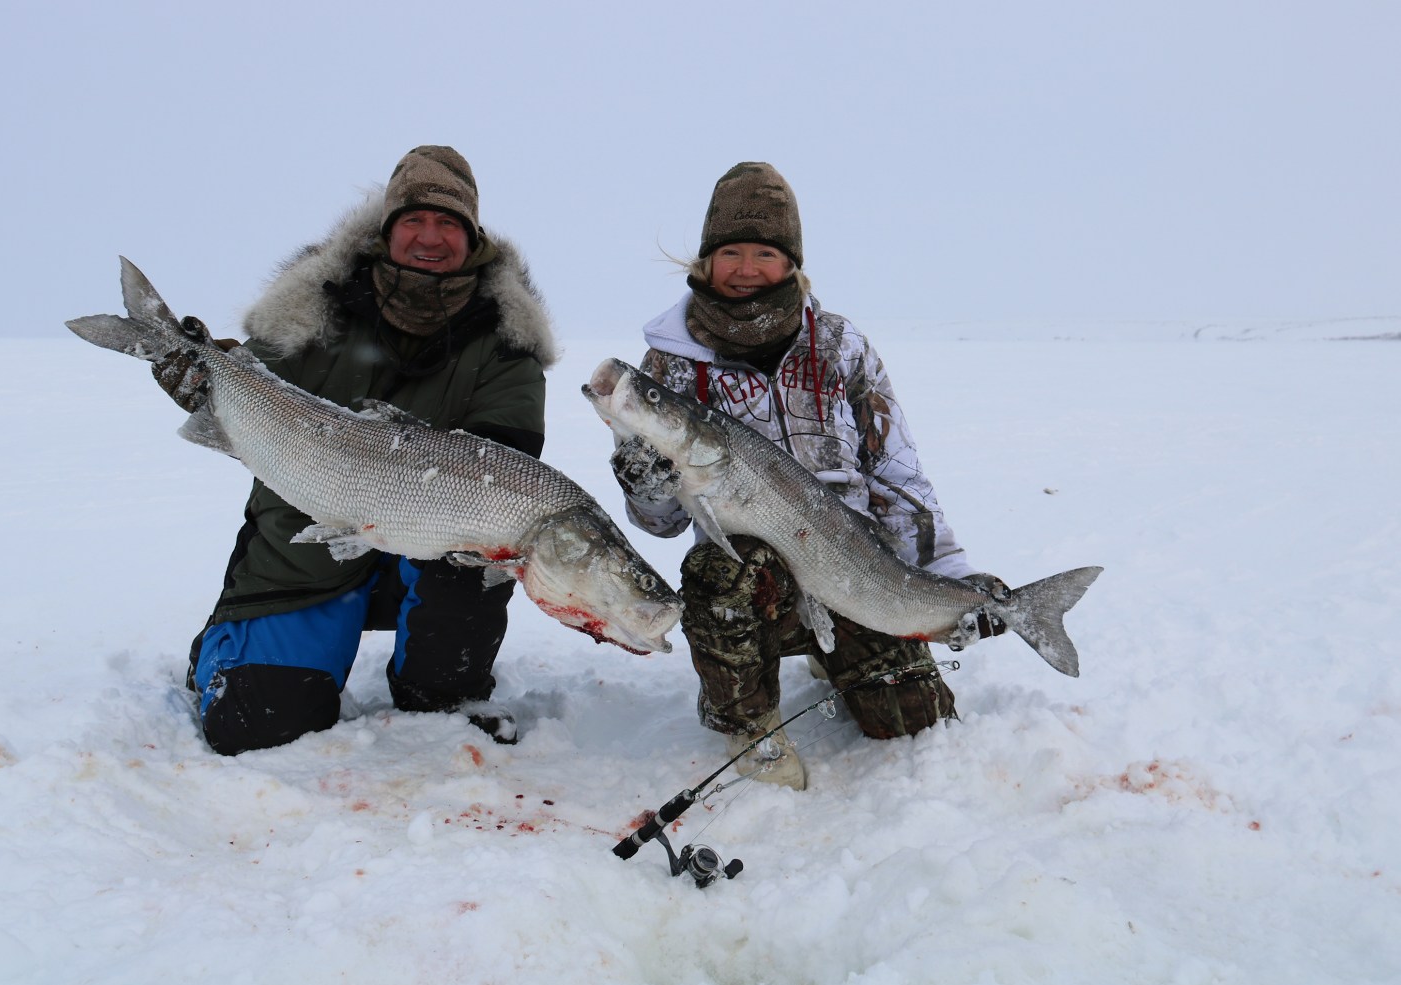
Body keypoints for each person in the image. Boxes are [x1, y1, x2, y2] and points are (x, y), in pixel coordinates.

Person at [610, 162, 1008, 789]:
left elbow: (897, 473)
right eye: (730, 252)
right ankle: (746, 718)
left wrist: (950, 580)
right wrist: (643, 484)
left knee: (916, 724)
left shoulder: (841, 347)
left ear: (791, 262)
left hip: (855, 571)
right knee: (715, 571)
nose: (746, 268)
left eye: (764, 252)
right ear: (704, 260)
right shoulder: (667, 365)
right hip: (749, 588)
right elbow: (661, 525)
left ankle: (837, 650)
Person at [155, 146, 556, 755]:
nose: (430, 237)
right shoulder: (314, 308)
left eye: (449, 223)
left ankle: (438, 690)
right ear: (385, 231)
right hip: (307, 541)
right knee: (256, 727)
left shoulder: (505, 339)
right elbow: (251, 401)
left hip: (429, 551)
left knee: (485, 549)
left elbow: (504, 463)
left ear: (473, 240)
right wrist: (202, 380)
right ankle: (224, 649)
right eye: (412, 221)